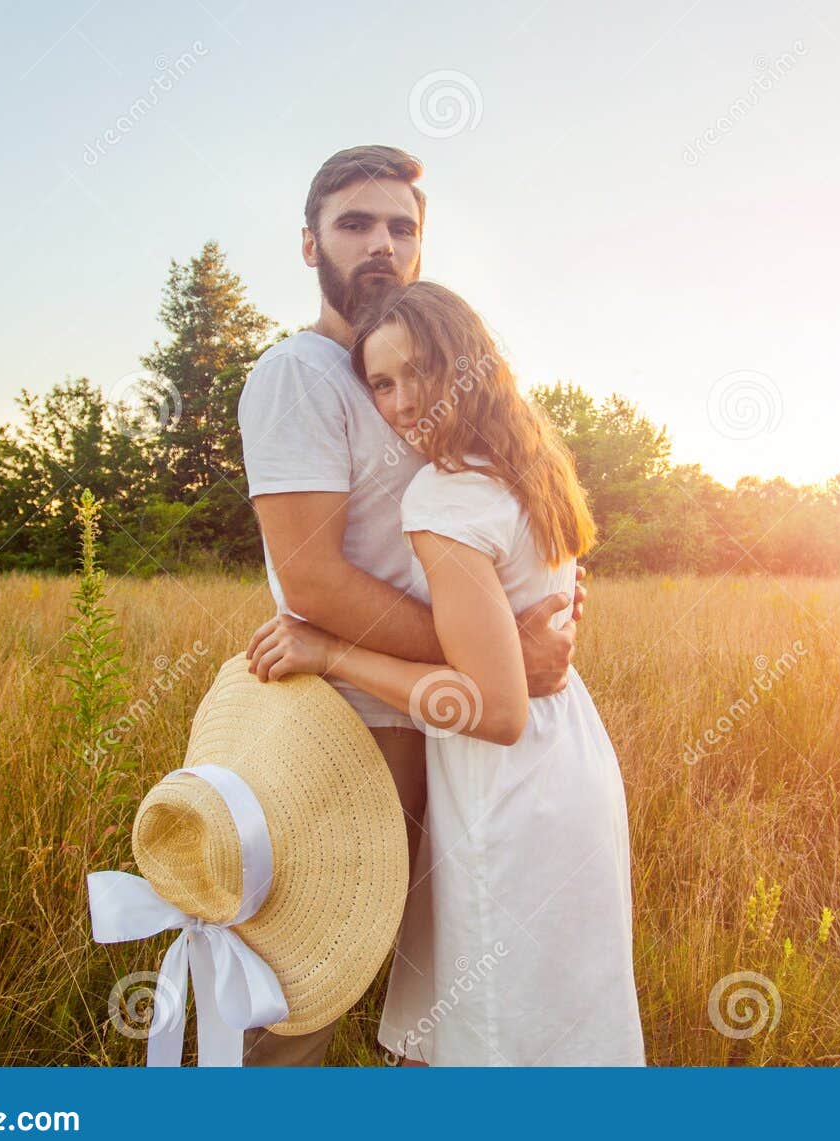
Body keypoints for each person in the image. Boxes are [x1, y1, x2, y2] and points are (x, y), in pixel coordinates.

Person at [236, 146, 583, 1066]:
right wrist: (494, 657)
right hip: (352, 723)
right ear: (309, 245)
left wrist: (532, 623)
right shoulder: (299, 377)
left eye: (402, 227)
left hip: (437, 722)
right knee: (301, 984)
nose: (381, 243)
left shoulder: (416, 370)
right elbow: (310, 582)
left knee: (437, 987)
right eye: (354, 223)